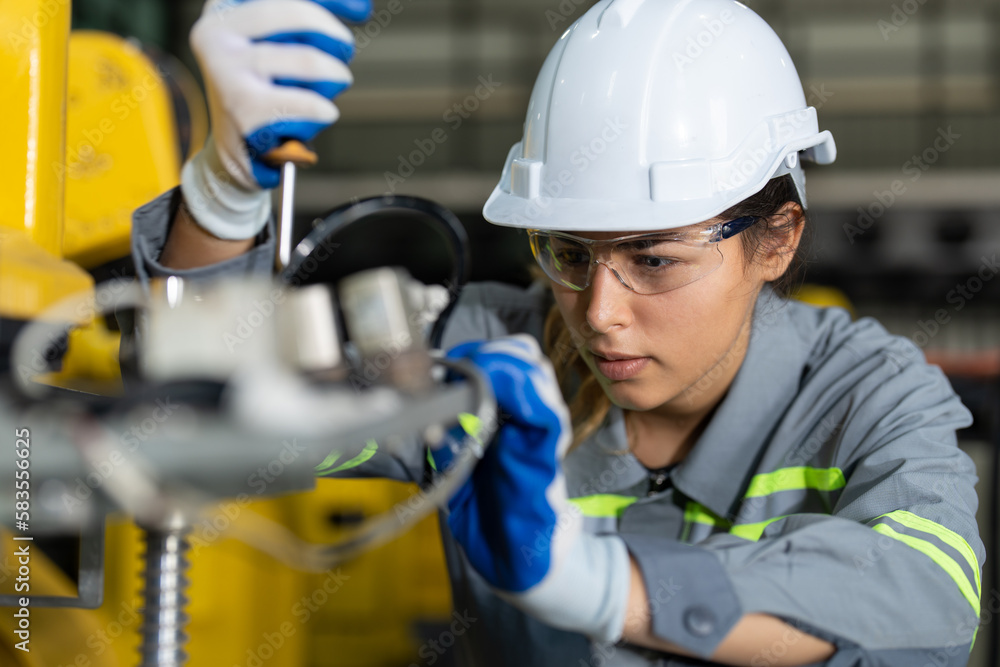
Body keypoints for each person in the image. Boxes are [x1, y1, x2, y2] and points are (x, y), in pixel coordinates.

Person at [130, 0, 984, 665]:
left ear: (778, 239)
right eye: (569, 254)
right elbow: (198, 420)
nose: (598, 312)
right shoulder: (486, 360)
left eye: (652, 260)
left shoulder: (868, 393)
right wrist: (226, 189)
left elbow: (923, 588)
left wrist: (603, 587)